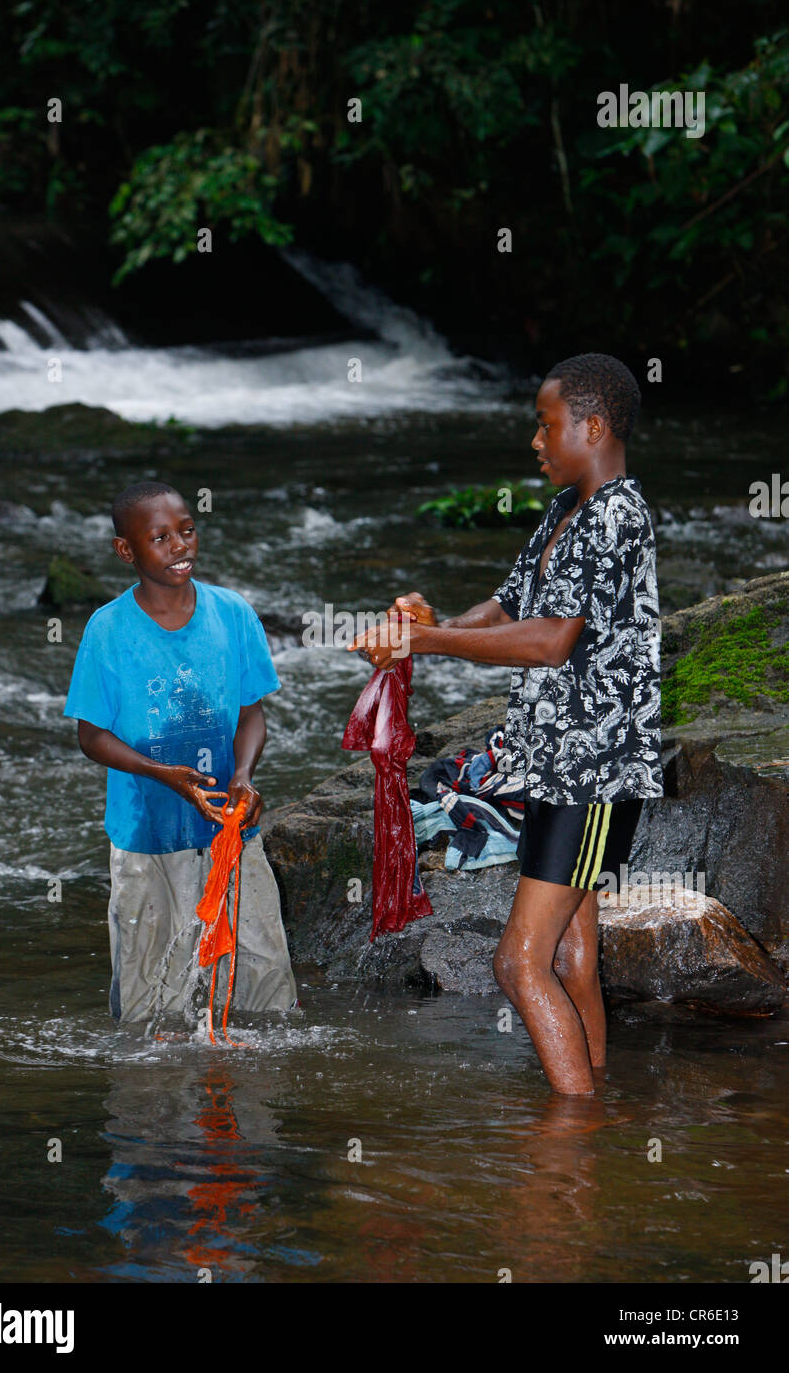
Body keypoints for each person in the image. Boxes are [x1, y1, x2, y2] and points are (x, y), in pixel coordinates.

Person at [350, 353, 662, 1094]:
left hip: (593, 773)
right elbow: (506, 609)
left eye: (546, 425)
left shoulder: (617, 515)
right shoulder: (567, 509)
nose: (536, 441)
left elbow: (552, 640)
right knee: (572, 958)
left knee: (519, 962)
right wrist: (436, 624)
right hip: (556, 765)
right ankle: (596, 1115)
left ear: (592, 426)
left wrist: (426, 642)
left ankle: (570, 1141)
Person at [63, 481, 297, 1029]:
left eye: (187, 531)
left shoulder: (232, 614)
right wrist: (161, 774)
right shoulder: (109, 630)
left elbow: (251, 713)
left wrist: (242, 774)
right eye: (160, 537)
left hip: (227, 827)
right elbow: (91, 736)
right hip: (147, 833)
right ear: (127, 551)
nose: (179, 546)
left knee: (262, 972)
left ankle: (249, 1090)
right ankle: (155, 1096)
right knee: (150, 994)